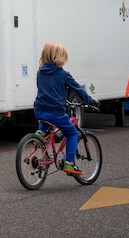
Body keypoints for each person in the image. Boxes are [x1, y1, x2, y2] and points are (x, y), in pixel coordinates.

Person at [33, 42, 98, 176]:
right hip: (56, 113)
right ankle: (69, 162)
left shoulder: (40, 72)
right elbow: (78, 90)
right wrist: (91, 101)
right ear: (60, 57)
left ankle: (40, 132)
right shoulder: (63, 74)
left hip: (39, 111)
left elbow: (45, 90)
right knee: (72, 133)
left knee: (45, 116)